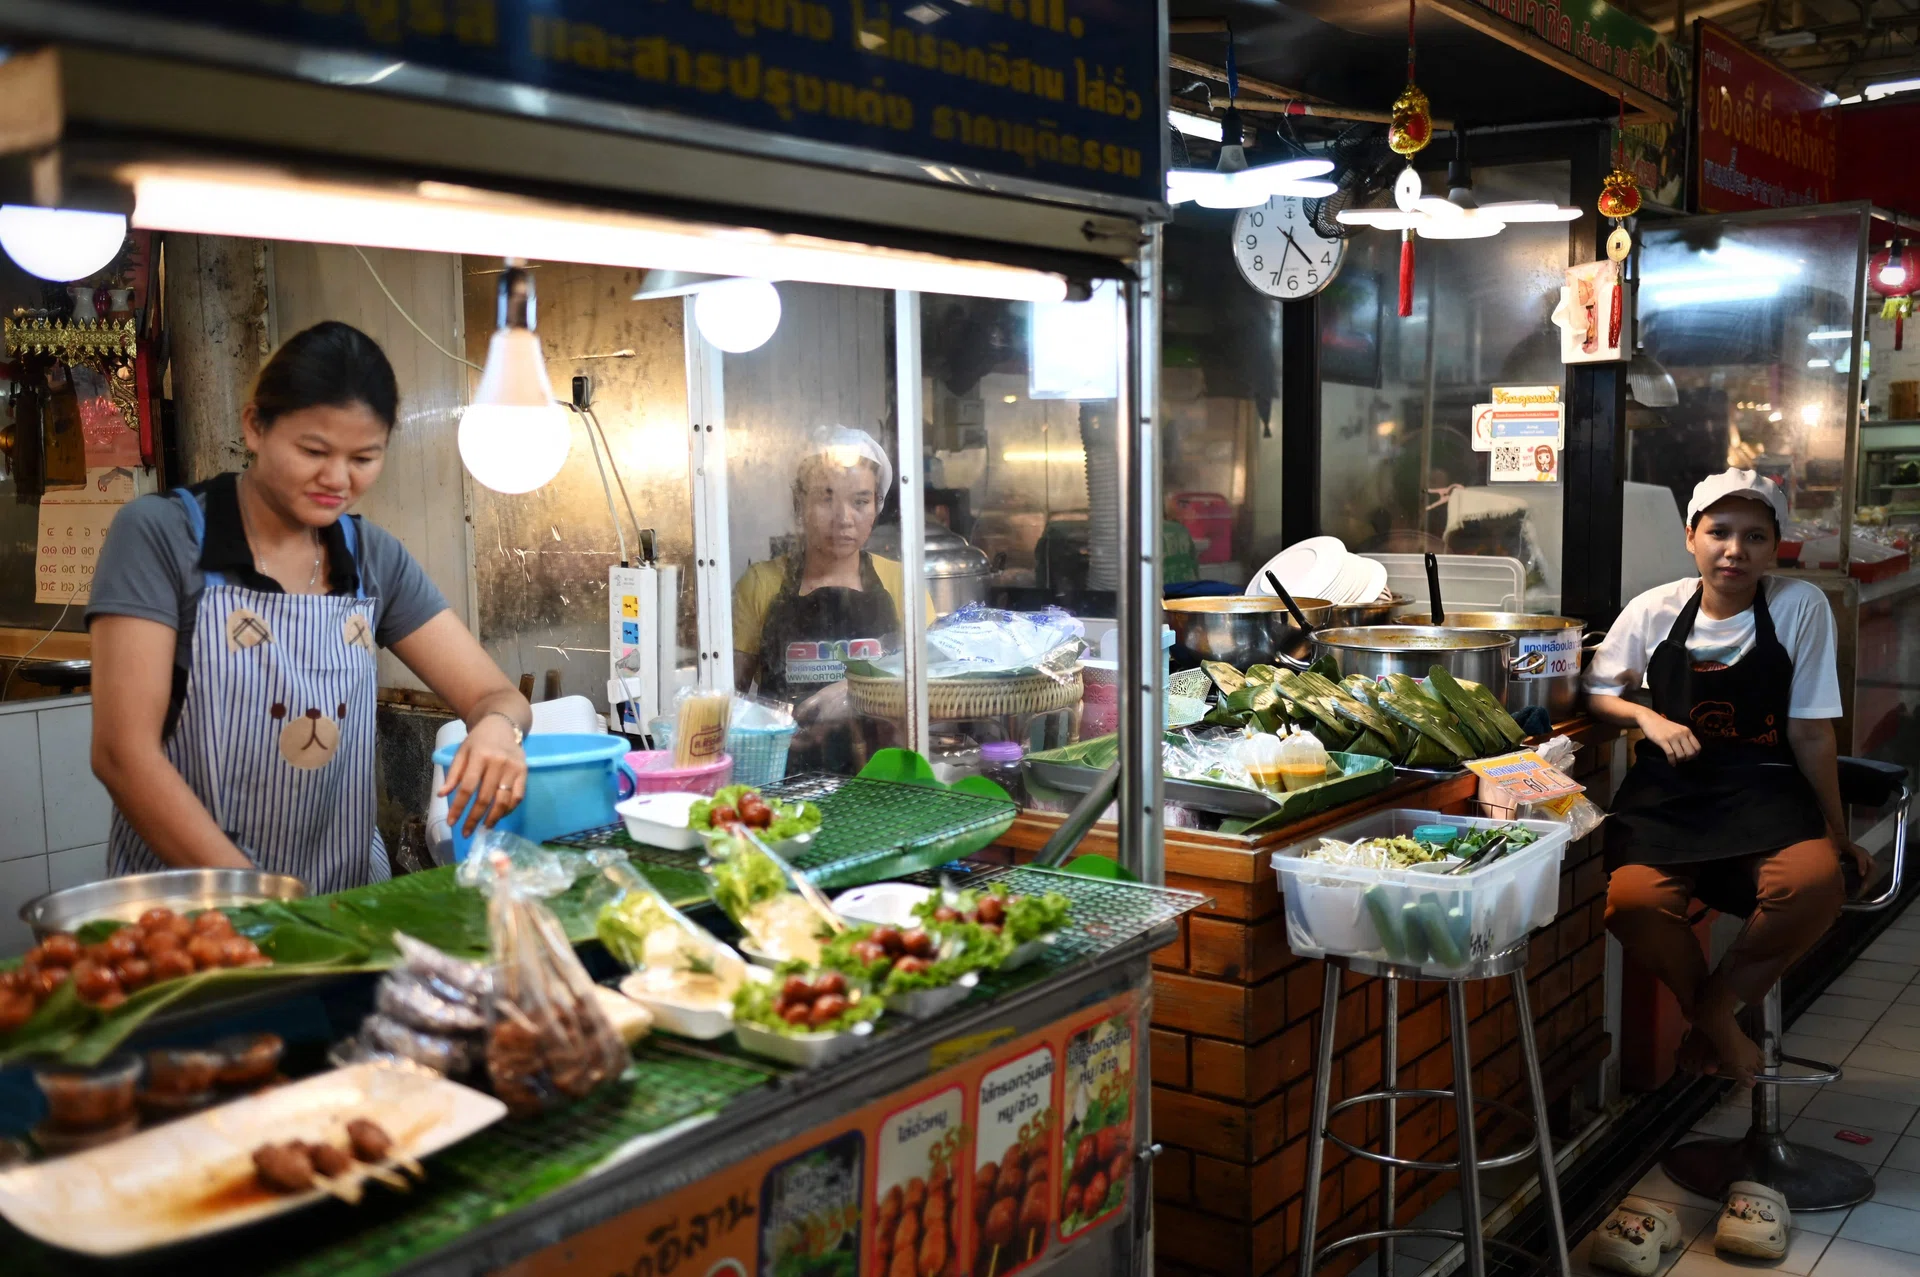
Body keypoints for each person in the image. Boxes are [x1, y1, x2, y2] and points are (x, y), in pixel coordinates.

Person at [87, 322, 531, 892]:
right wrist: (255, 896)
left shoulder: (372, 556)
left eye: (364, 458)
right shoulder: (163, 536)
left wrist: (496, 730)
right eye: (313, 451)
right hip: (195, 912)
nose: (337, 479)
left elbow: (499, 697)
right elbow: (122, 754)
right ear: (255, 426)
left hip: (341, 908)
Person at [1586, 469, 1872, 1088]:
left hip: (1765, 783)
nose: (1734, 550)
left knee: (1817, 886)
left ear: (1775, 547)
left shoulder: (1800, 607)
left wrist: (1836, 830)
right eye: (1718, 532)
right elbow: (1598, 693)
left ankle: (1711, 1015)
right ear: (1692, 537)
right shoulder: (1653, 607)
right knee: (1633, 903)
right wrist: (1646, 717)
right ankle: (1718, 1024)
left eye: (1755, 537)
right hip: (1670, 789)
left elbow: (1810, 733)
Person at [731, 426, 911, 773]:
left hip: (883, 780)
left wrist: (856, 692)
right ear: (800, 504)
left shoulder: (901, 583)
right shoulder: (761, 584)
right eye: (825, 498)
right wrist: (777, 726)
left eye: (860, 501)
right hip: (783, 775)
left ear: (877, 506)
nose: (843, 519)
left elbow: (933, 686)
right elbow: (729, 699)